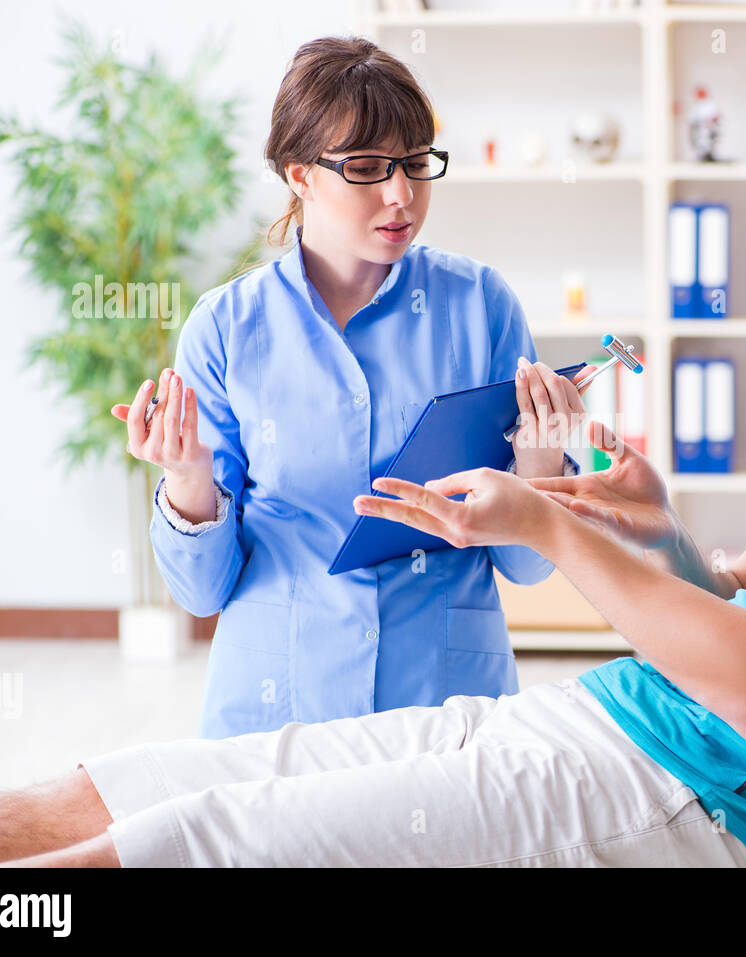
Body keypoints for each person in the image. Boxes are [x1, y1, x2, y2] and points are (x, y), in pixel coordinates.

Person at [0, 160, 746, 868]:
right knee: (153, 779)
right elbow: (738, 606)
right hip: (606, 731)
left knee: (209, 841)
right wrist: (648, 528)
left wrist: (548, 528)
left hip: (688, 803)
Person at [108, 36, 589, 739]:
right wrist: (188, 477)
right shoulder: (226, 327)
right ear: (299, 175)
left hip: (446, 707)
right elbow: (201, 591)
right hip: (279, 717)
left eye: (417, 164)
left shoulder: (480, 304)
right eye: (366, 168)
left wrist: (541, 464)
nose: (401, 195)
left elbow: (525, 565)